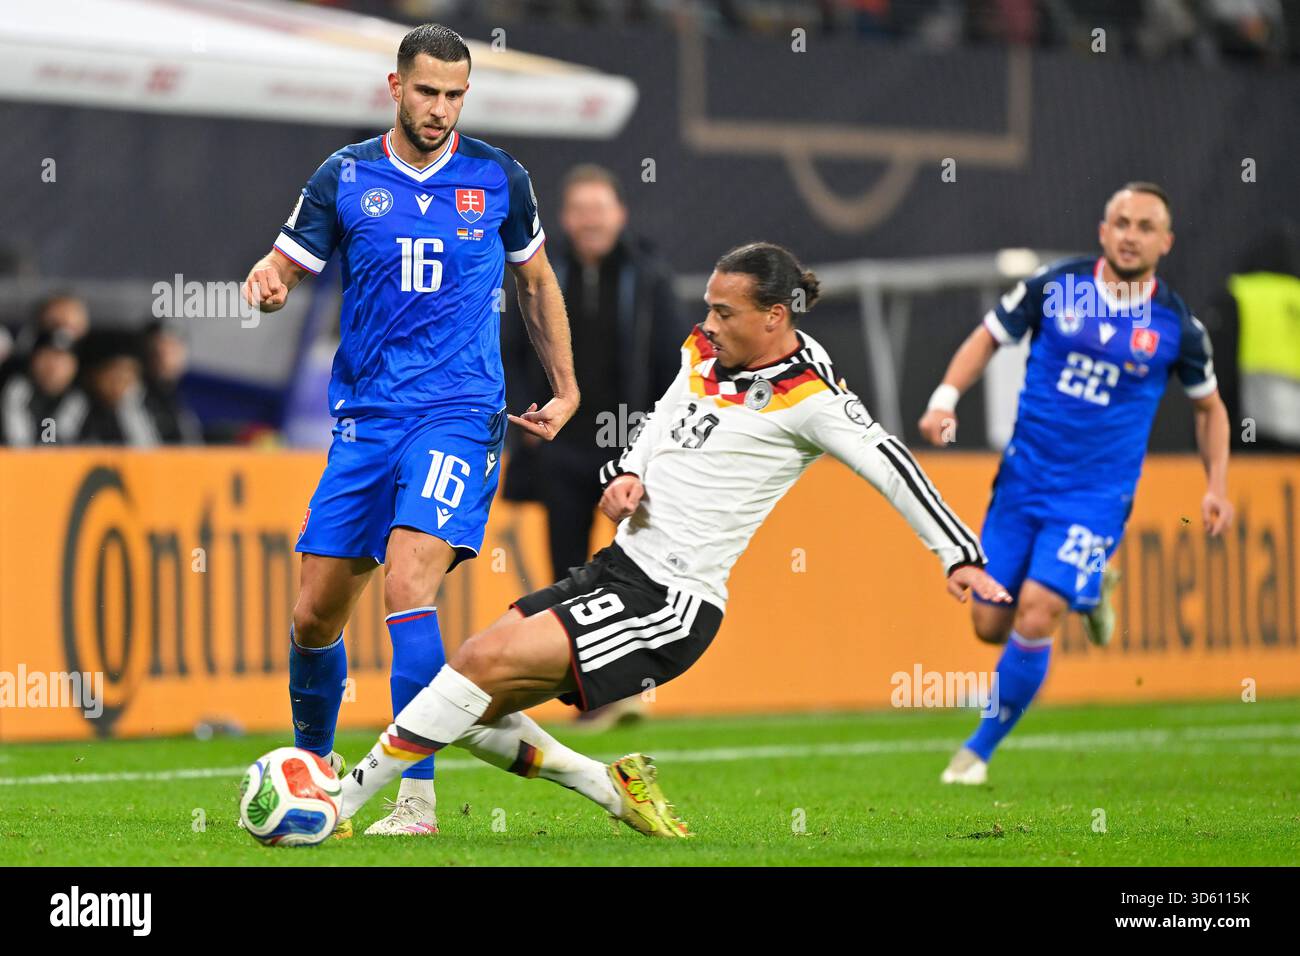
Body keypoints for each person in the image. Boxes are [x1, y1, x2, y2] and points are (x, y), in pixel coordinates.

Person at [334, 242, 1010, 838]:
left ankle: (337, 804)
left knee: (476, 665)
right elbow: (667, 411)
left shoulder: (812, 399)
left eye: (725, 312)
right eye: (710, 308)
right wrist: (630, 469)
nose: (708, 324)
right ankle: (609, 786)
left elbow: (892, 466)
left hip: (671, 602)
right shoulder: (704, 353)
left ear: (775, 316)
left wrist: (959, 556)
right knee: (463, 705)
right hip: (617, 569)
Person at [240, 24, 578, 837]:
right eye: (428, 92)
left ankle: (414, 799)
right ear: (395, 88)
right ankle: (315, 772)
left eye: (456, 95)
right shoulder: (346, 175)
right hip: (365, 418)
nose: (441, 108)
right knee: (314, 615)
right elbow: (287, 263)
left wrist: (567, 389)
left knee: (406, 586)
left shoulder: (498, 177)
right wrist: (267, 278)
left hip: (460, 412)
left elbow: (535, 281)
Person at [916, 182, 1233, 786]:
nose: (1131, 234)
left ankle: (977, 752)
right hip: (1022, 483)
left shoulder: (1177, 327)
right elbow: (988, 335)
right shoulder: (1054, 287)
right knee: (989, 625)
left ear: (1165, 242)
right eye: (1121, 222)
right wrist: (945, 398)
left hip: (1095, 497)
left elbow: (1209, 408)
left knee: (1037, 612)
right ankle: (1091, 590)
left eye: (1145, 226)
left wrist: (1215, 484)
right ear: (1102, 230)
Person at [501, 163, 683, 729]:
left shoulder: (648, 278)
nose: (590, 219)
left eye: (599, 208)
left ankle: (624, 683)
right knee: (567, 573)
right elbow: (513, 354)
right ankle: (588, 697)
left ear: (619, 214)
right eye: (580, 210)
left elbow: (669, 366)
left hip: (628, 452)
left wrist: (659, 445)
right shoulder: (541, 274)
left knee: (635, 570)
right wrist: (529, 432)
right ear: (564, 219)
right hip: (560, 450)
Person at [0, 329, 87, 446]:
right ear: (33, 360)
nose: (53, 367)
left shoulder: (79, 398)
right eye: (47, 357)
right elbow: (18, 445)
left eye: (62, 360)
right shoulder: (17, 389)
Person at [76, 330, 159, 446]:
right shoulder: (78, 403)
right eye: (114, 371)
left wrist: (129, 409)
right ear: (93, 374)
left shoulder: (143, 407)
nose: (121, 381)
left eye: (130, 372)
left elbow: (150, 453)